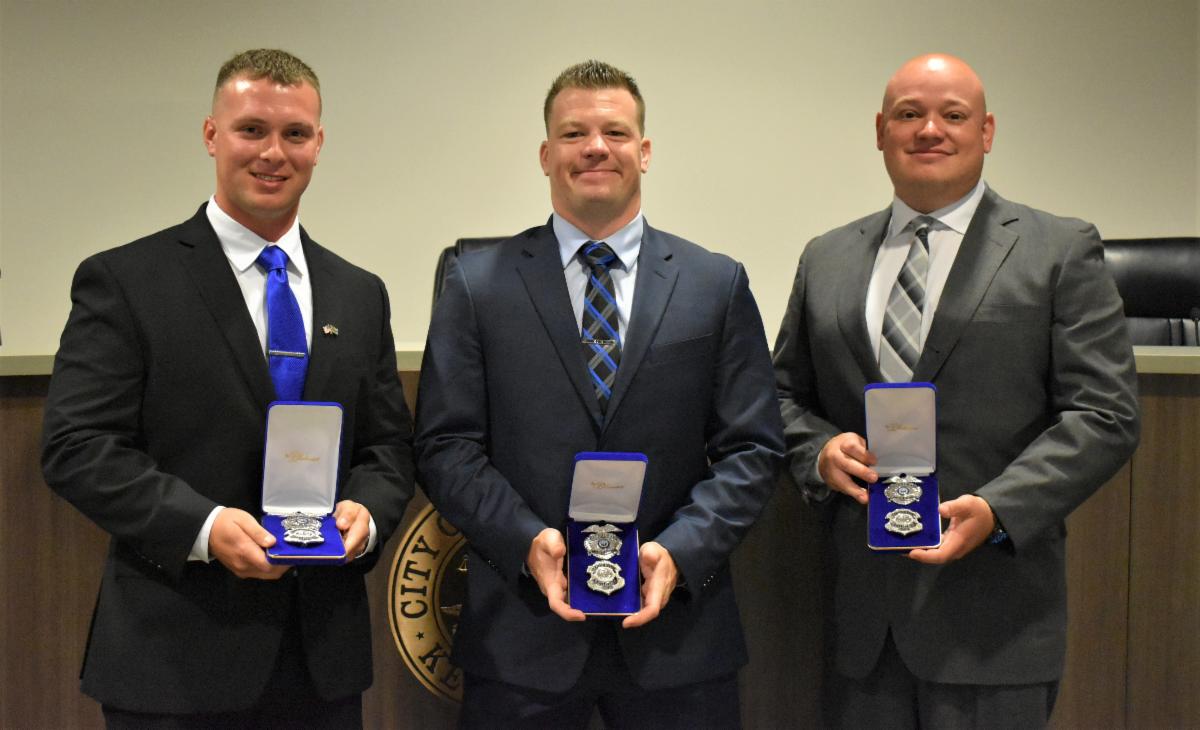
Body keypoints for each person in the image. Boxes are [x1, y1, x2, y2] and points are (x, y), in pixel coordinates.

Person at [41, 49, 414, 728]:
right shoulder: (126, 281)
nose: (274, 152)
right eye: (251, 130)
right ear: (212, 134)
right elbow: (77, 447)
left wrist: (367, 515)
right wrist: (206, 529)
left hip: (321, 663)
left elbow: (388, 447)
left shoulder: (360, 294)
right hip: (174, 660)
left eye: (295, 134)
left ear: (319, 144)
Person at [772, 53, 1140, 728]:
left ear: (988, 131)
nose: (929, 130)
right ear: (881, 131)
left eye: (952, 114)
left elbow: (1105, 413)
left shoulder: (1057, 249)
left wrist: (999, 509)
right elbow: (781, 397)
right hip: (865, 624)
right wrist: (820, 453)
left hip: (994, 621)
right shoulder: (826, 257)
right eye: (909, 114)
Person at [414, 60, 783, 728]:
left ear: (644, 151)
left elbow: (752, 447)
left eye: (615, 131)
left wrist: (682, 549)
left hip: (678, 640)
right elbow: (446, 445)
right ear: (546, 153)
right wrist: (528, 543)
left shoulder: (715, 283)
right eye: (574, 132)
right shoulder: (476, 284)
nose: (594, 147)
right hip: (522, 638)